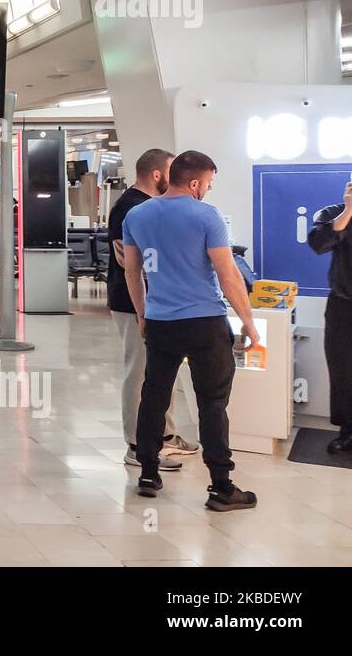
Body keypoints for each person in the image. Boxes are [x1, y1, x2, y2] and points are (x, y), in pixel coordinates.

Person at [122, 150, 259, 511]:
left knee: (154, 396)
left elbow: (131, 272)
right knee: (212, 403)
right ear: (196, 182)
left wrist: (142, 314)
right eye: (209, 183)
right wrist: (248, 321)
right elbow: (228, 275)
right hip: (204, 323)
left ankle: (148, 473)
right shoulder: (207, 216)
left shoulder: (137, 214)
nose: (208, 190)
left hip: (161, 323)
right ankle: (221, 487)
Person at [107, 148, 199, 471]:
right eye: (171, 173)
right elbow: (130, 263)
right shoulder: (129, 208)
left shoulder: (153, 207)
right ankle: (136, 443)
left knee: (162, 373)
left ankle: (164, 435)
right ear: (157, 175)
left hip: (160, 304)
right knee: (140, 372)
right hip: (132, 302)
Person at [306, 179, 352, 453]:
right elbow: (318, 244)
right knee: (343, 369)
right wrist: (348, 212)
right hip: (344, 304)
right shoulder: (332, 213)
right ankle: (347, 431)